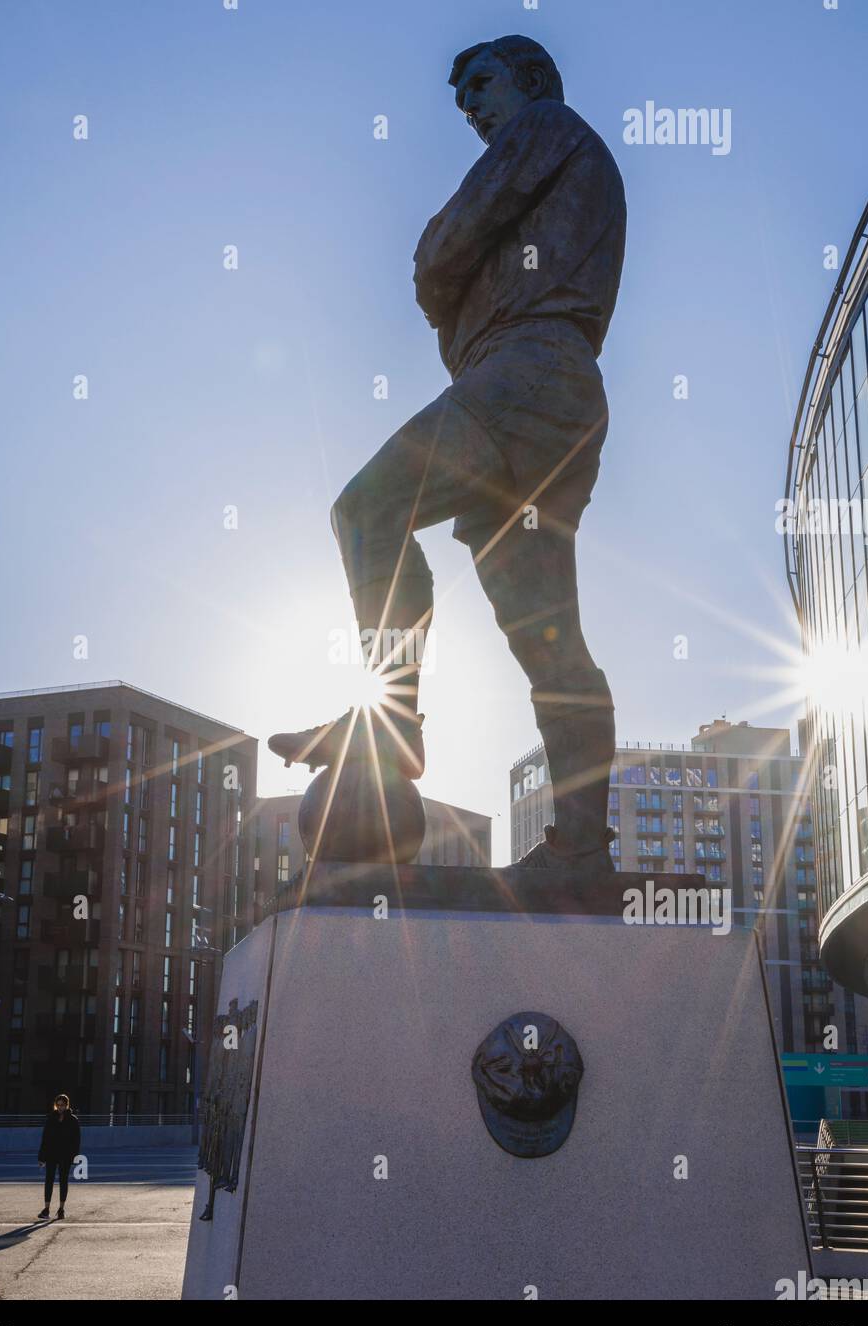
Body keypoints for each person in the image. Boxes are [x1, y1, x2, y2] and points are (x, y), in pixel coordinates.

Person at [268, 34, 626, 870]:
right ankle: (581, 848)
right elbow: (449, 279)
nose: (470, 104)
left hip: (526, 373)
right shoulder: (551, 149)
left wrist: (445, 277)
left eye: (479, 83)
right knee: (550, 642)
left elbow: (441, 251)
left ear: (529, 78)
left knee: (368, 507)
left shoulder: (542, 126)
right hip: (549, 391)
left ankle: (388, 726)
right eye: (461, 96)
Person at [37, 1093, 81, 1221]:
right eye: (58, 1105)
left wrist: (75, 1156)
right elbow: (45, 1139)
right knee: (49, 1180)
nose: (60, 1107)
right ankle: (46, 1209)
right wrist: (41, 1156)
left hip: (66, 1155)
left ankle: (61, 1209)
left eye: (63, 1105)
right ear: (56, 1106)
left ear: (67, 1105)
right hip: (51, 1154)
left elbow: (76, 1140)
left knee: (63, 1181)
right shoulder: (51, 1119)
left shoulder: (73, 1120)